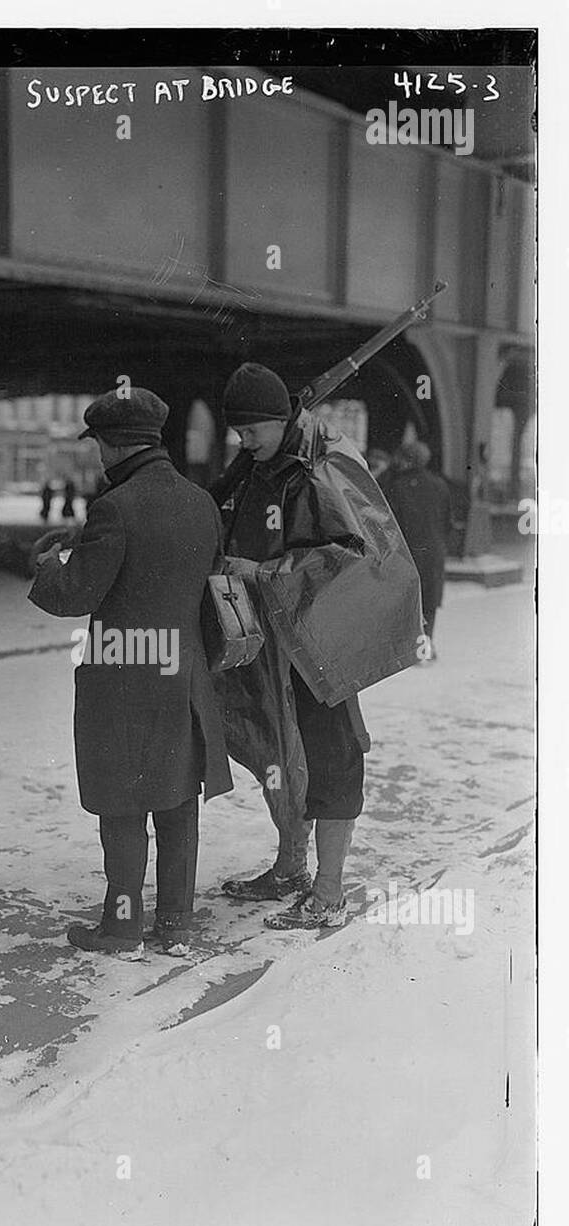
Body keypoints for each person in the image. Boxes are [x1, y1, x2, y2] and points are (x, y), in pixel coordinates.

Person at [28, 388, 232, 958]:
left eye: (98, 443)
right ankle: (177, 923)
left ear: (115, 444)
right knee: (178, 801)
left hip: (124, 677)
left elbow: (76, 594)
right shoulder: (201, 502)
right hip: (183, 674)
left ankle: (121, 928)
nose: (97, 455)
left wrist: (48, 567)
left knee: (123, 803)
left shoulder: (115, 507)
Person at [212, 363, 399, 930]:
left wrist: (262, 572)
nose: (243, 442)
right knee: (278, 749)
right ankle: (291, 867)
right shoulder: (264, 463)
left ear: (279, 419)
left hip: (319, 642)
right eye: (238, 432)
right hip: (268, 637)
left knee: (332, 754)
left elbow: (356, 555)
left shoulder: (325, 464)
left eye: (251, 431)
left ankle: (329, 892)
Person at [380, 440, 452, 658]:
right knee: (429, 600)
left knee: (404, 599)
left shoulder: (396, 485)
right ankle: (425, 646)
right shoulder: (440, 485)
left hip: (406, 551)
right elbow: (448, 522)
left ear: (406, 459)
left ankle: (403, 649)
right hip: (433, 552)